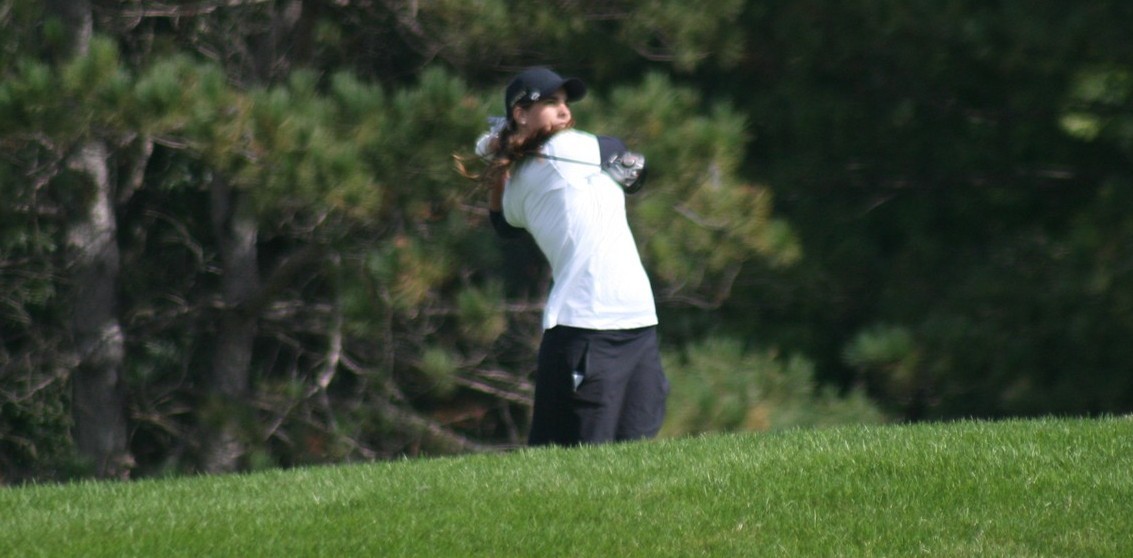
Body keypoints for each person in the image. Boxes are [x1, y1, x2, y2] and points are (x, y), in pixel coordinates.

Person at [469, 67, 668, 446]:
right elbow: (616, 147)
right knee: (585, 459)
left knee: (634, 450)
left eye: (564, 103)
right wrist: (505, 146)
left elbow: (502, 223)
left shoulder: (520, 187)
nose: (564, 112)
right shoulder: (565, 150)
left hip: (635, 321)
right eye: (550, 102)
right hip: (590, 330)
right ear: (520, 113)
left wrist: (500, 150)